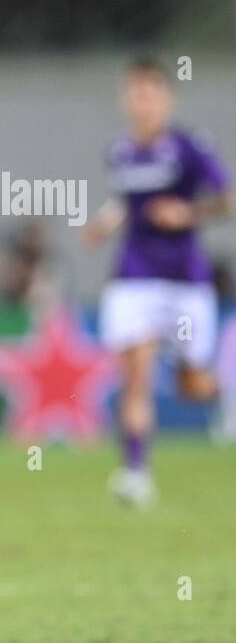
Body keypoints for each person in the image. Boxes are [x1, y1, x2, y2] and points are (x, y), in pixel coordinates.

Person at [84, 58, 231, 508]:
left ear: (166, 98)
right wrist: (107, 223)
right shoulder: (122, 152)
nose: (141, 101)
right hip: (135, 277)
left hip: (186, 278)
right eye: (134, 93)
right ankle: (135, 473)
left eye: (149, 92)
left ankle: (219, 394)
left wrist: (189, 213)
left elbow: (226, 198)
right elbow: (132, 202)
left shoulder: (189, 147)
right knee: (136, 374)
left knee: (193, 386)